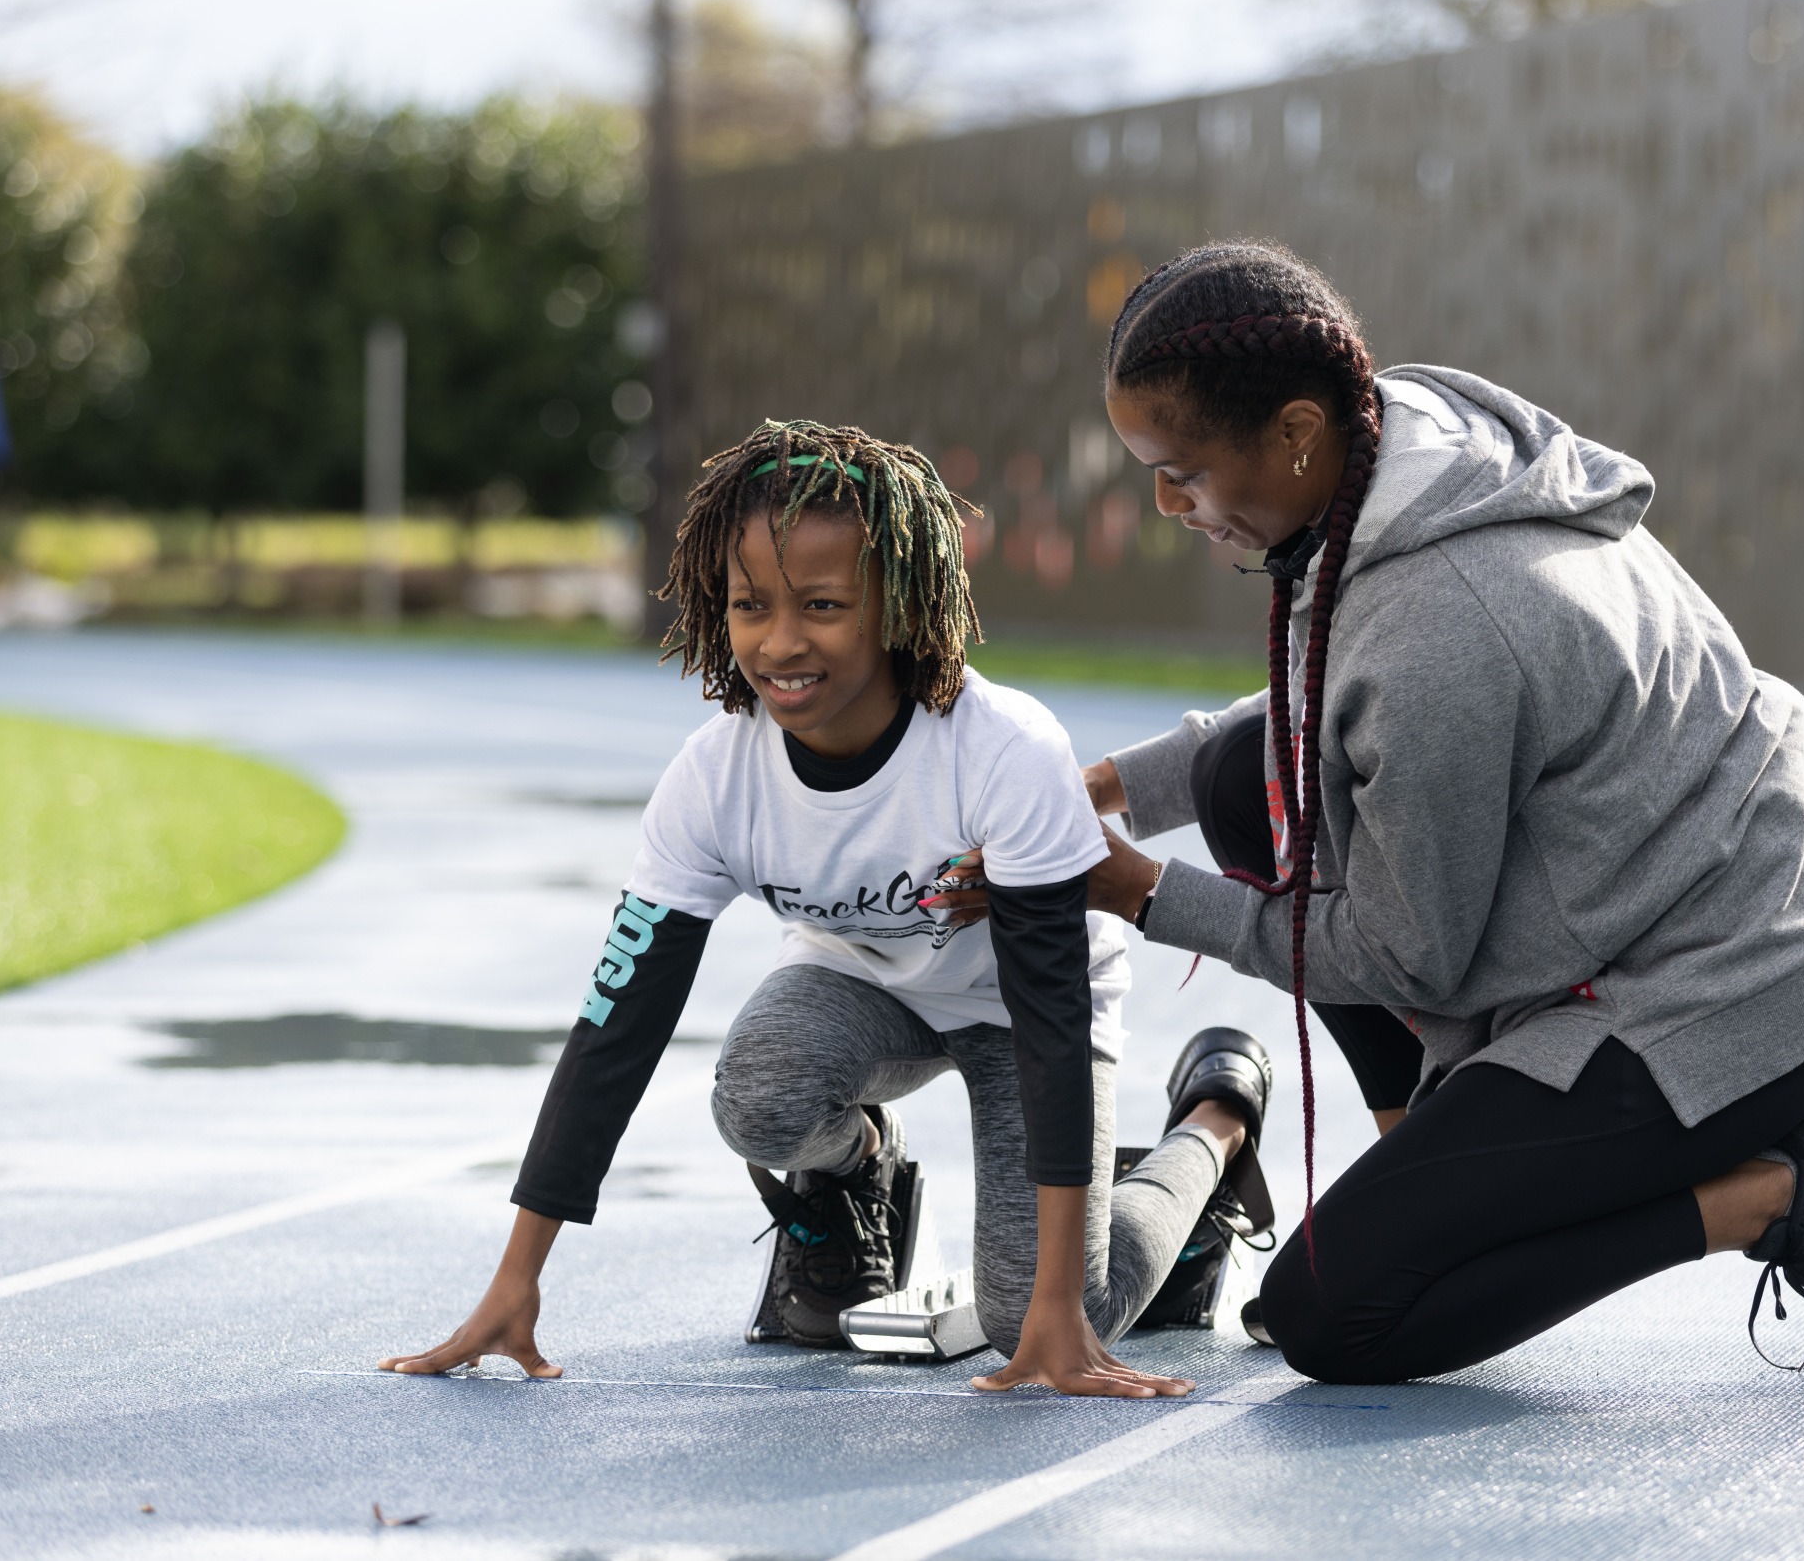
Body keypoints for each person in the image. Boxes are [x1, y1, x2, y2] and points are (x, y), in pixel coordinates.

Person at [1070, 241, 1804, 1382]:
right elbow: (1331, 697)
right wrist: (1106, 788)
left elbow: (1408, 951)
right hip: (1643, 903)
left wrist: (1134, 890)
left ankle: (1786, 1192)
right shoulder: (1390, 450)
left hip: (1722, 989)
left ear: (1294, 431)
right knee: (1245, 779)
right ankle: (1429, 1152)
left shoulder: (1445, 619)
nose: (1164, 501)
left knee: (1335, 1316)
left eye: (1179, 472)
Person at [381, 420, 1275, 1399]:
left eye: (820, 604)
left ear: (899, 602)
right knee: (759, 1088)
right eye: (748, 605)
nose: (779, 642)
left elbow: (1053, 1027)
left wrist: (1060, 1300)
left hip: (1023, 1009)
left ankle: (1212, 1127)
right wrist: (518, 1278)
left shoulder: (1001, 751)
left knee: (1048, 1313)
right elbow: (614, 1026)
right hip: (866, 987)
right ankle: (862, 1175)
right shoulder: (715, 778)